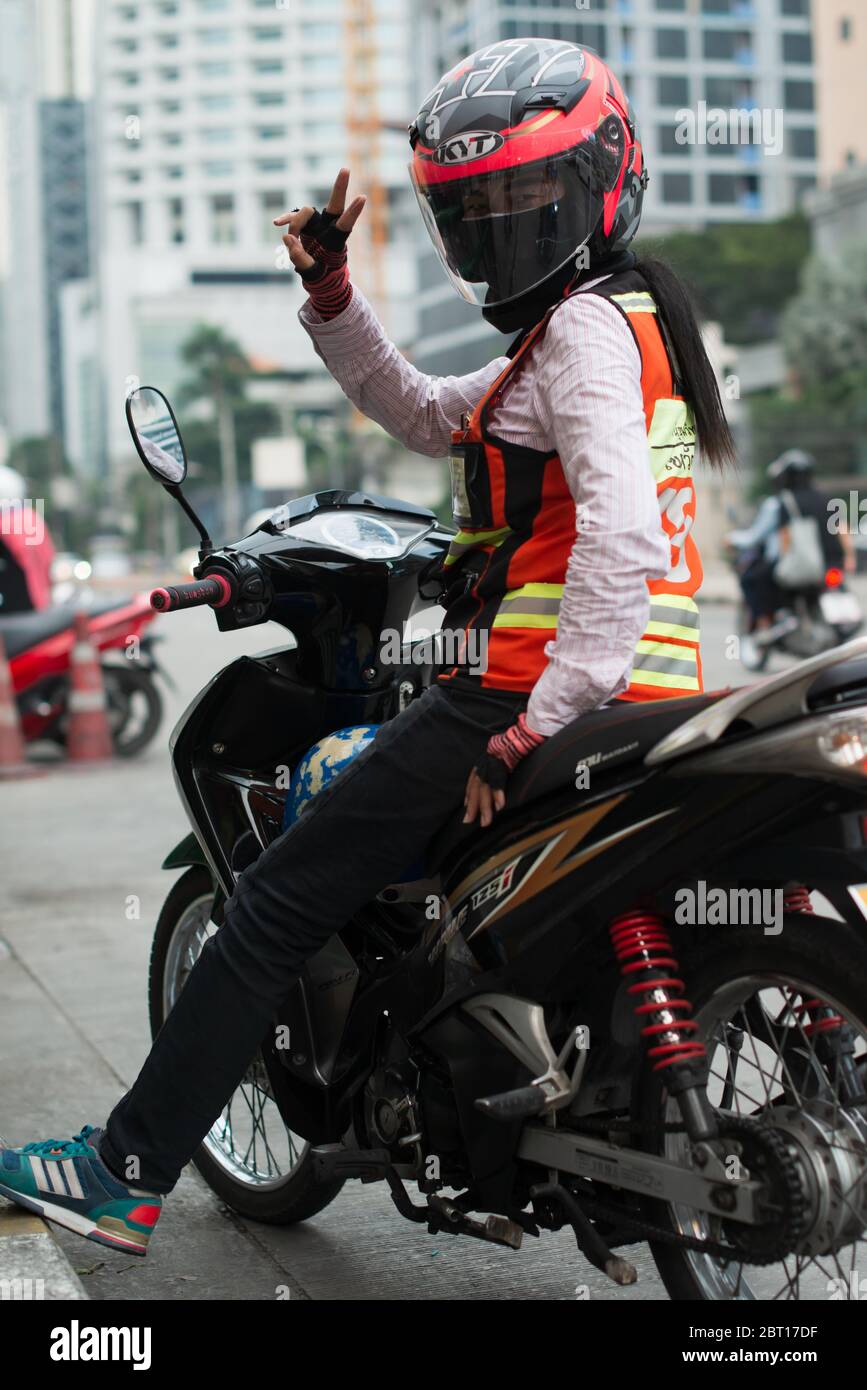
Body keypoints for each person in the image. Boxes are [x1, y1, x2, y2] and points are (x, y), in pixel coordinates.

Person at [0, 39, 733, 1255]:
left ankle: (121, 1170)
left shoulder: (585, 336)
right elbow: (426, 413)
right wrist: (334, 297)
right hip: (652, 694)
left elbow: (613, 540)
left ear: (598, 185)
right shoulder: (610, 325)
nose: (499, 235)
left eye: (520, 204)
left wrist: (532, 720)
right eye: (477, 213)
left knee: (275, 904)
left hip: (531, 691)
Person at [731, 448, 853, 640]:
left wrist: (784, 562)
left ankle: (765, 626)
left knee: (752, 578)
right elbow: (843, 530)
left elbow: (784, 540)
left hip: (803, 567)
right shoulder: (826, 499)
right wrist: (849, 557)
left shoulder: (785, 502)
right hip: (832, 565)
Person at [0, 465, 55, 615]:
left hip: (15, 611)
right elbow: (49, 560)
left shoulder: (7, 524)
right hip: (39, 605)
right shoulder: (31, 518)